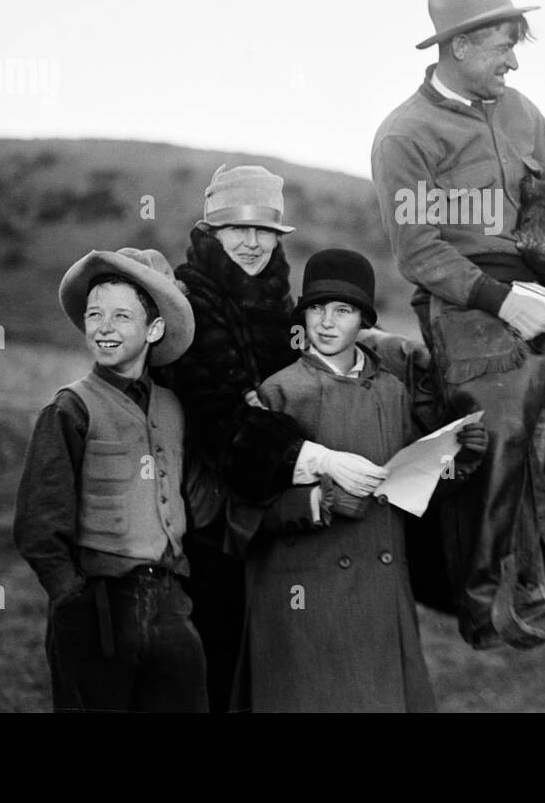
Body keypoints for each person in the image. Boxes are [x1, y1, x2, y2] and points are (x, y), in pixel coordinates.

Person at [370, 0, 545, 650]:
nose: (514, 61)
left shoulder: (523, 114)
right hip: (462, 300)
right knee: (501, 416)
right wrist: (503, 301)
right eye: (502, 45)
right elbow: (420, 253)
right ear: (458, 46)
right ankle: (488, 597)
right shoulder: (404, 135)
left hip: (538, 285)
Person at [154, 164, 406, 712]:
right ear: (210, 232)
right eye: (236, 228)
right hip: (210, 524)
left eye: (264, 229)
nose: (251, 241)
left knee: (276, 673)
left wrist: (382, 346)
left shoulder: (275, 305)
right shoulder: (188, 306)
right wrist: (318, 458)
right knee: (214, 675)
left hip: (275, 521)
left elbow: (310, 377)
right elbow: (221, 425)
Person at [231, 249, 487, 712]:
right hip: (302, 604)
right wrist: (317, 503)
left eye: (343, 310)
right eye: (316, 308)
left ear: (364, 320)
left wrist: (459, 458)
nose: (326, 323)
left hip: (378, 600)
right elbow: (238, 510)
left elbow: (409, 486)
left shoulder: (391, 391)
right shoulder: (277, 392)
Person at [13, 247, 206, 712]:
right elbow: (38, 523)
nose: (104, 327)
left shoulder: (173, 408)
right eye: (95, 314)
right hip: (98, 605)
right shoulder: (70, 408)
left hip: (169, 602)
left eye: (122, 316)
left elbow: (189, 496)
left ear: (153, 329)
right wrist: (71, 598)